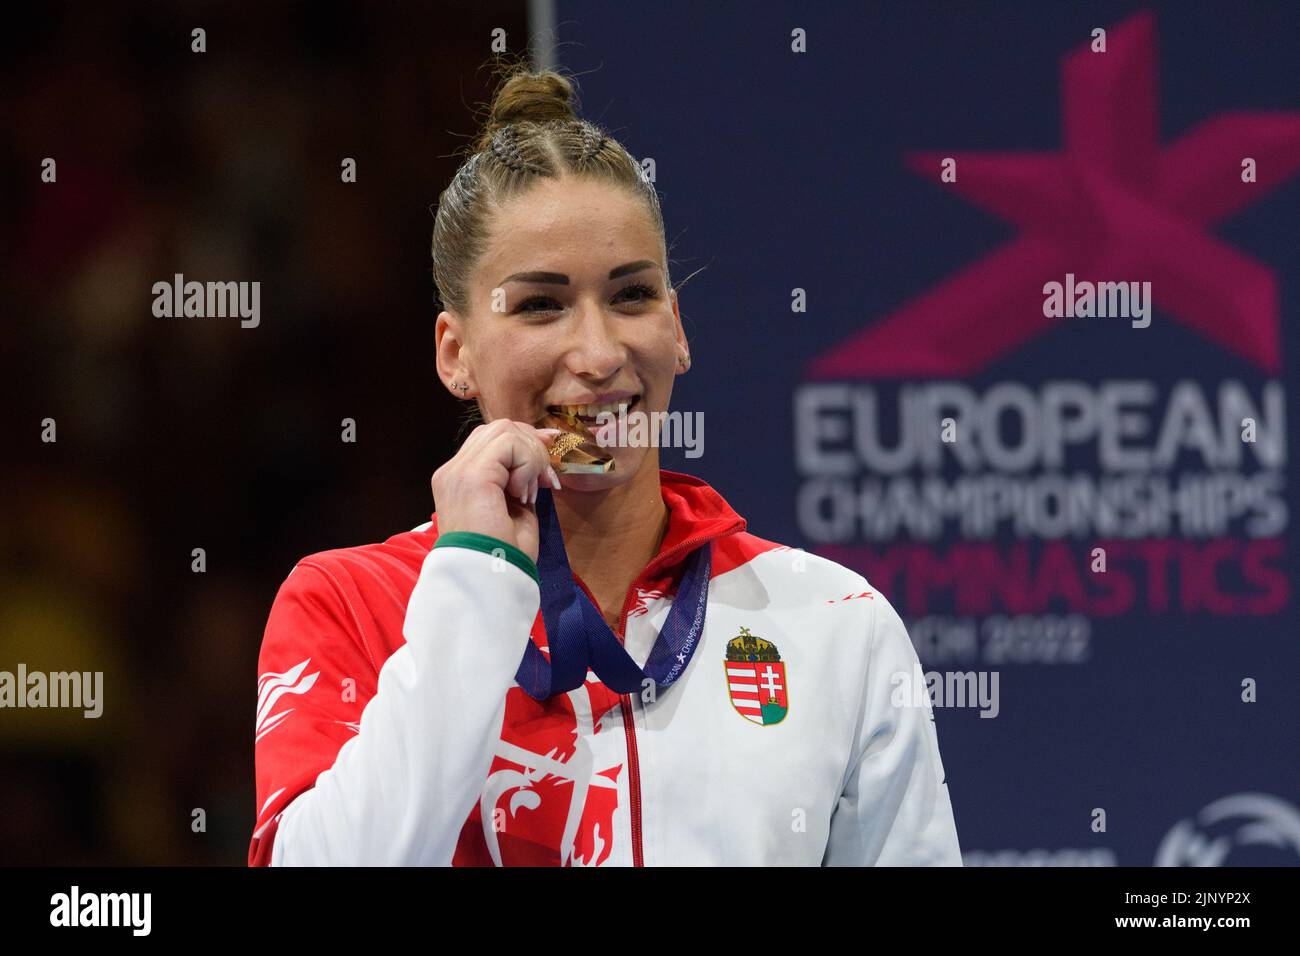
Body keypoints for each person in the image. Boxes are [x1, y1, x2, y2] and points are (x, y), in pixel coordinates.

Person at [248, 65, 962, 867]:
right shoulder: (350, 605)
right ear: (456, 354)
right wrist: (474, 585)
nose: (597, 354)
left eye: (632, 297)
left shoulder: (834, 620)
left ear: (679, 328)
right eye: (541, 305)